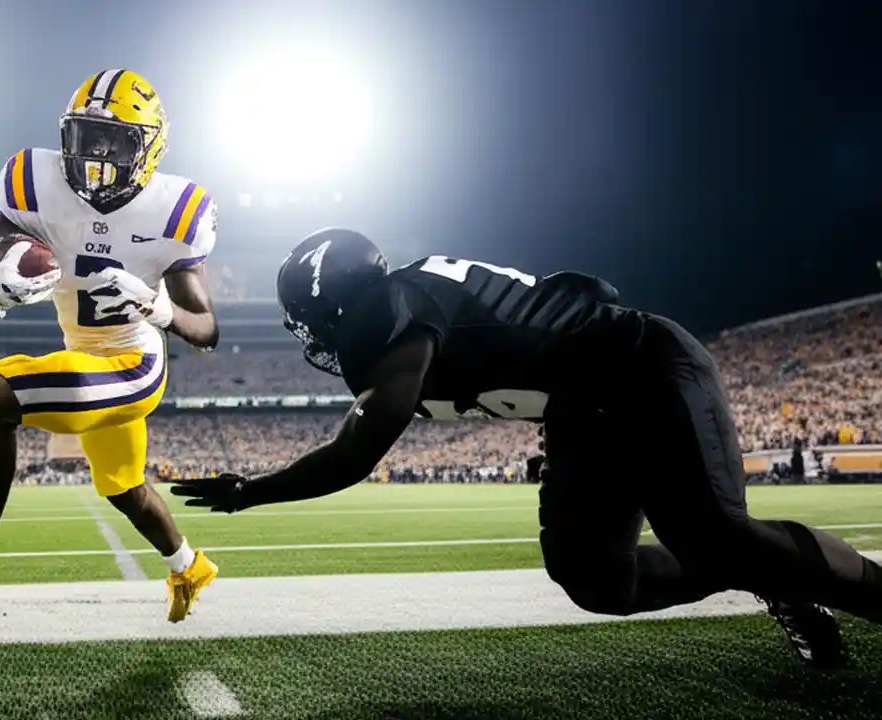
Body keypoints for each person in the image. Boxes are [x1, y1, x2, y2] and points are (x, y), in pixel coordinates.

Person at [172, 227, 882, 667]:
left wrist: (251, 491)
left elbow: (357, 453)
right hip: (584, 405)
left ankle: (841, 585)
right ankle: (773, 577)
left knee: (715, 535)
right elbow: (581, 289)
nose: (316, 341)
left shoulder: (386, 313)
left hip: (642, 369)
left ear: (335, 304)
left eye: (309, 323)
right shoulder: (415, 297)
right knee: (595, 577)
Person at [0, 69, 220, 632]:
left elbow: (205, 328)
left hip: (134, 362)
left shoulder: (175, 209)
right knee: (125, 488)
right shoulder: (36, 181)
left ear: (150, 148)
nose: (97, 155)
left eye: (115, 141)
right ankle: (190, 567)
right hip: (83, 354)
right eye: (87, 137)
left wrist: (157, 307)